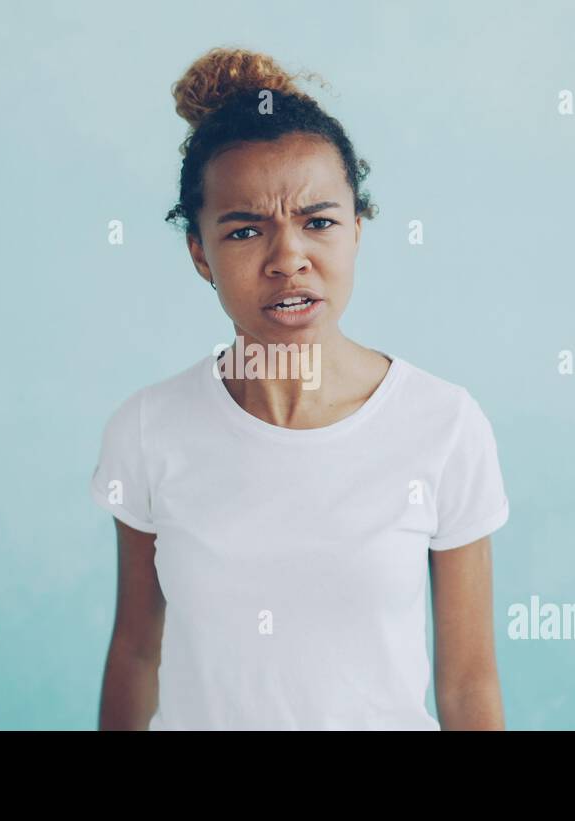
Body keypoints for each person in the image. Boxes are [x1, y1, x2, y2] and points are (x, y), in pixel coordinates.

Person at [92, 47, 510, 730]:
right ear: (200, 252)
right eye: (245, 230)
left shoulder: (444, 425)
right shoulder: (147, 429)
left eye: (318, 222)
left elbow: (467, 684)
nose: (289, 259)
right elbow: (137, 650)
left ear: (356, 230)